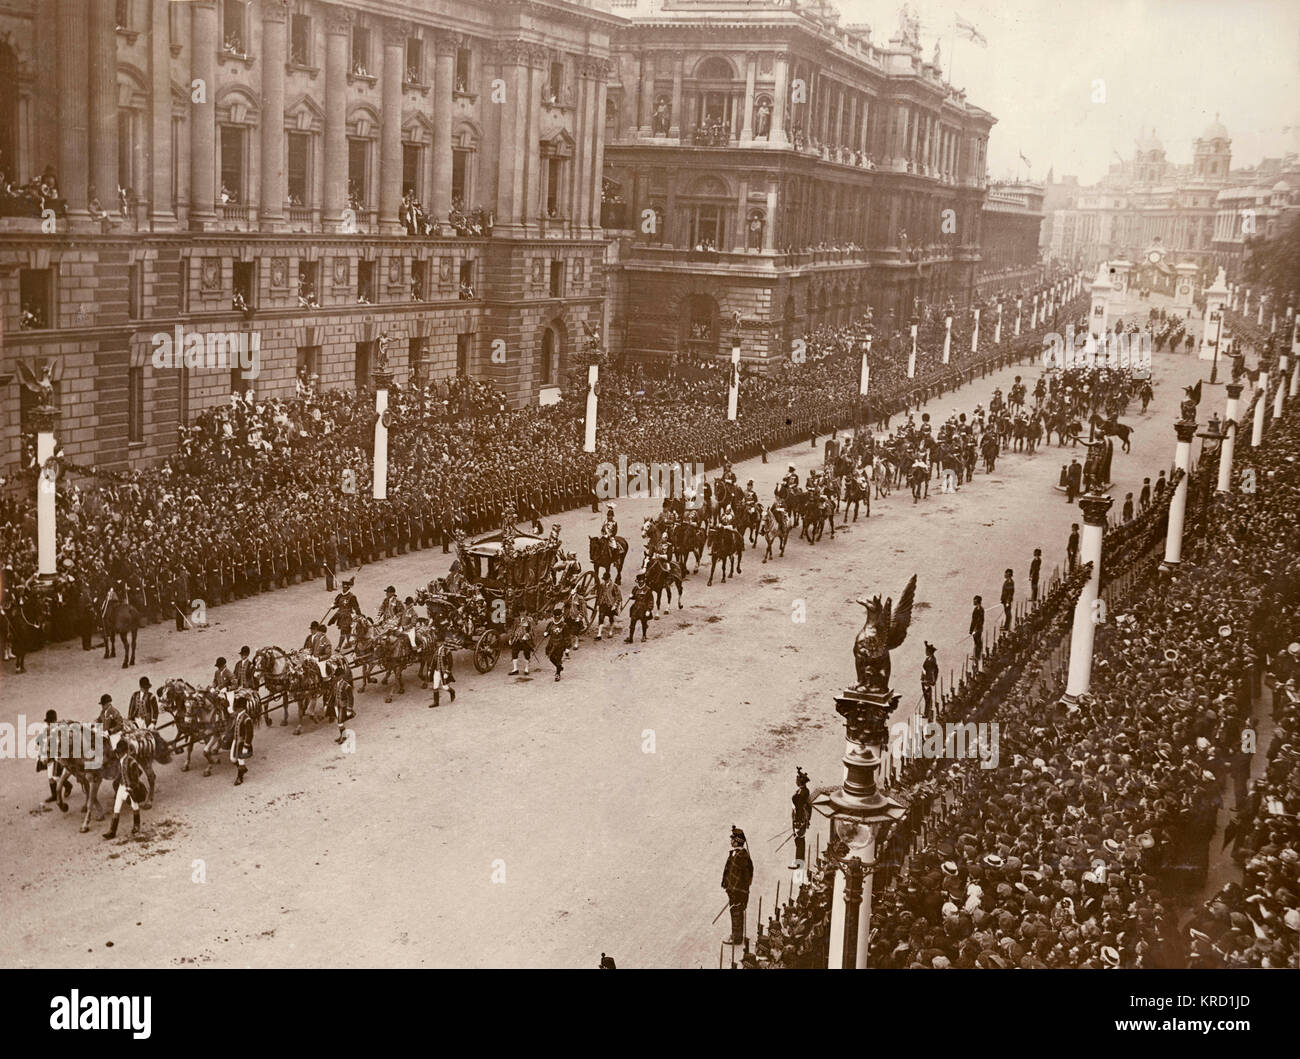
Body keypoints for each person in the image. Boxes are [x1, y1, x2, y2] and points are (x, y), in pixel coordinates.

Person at [722, 825, 754, 946]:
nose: (731, 841)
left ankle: (736, 938)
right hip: (734, 890)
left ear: (737, 842)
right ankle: (737, 935)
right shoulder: (736, 854)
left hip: (738, 892)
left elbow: (746, 877)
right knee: (735, 911)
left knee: (736, 912)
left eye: (732, 839)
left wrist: (737, 890)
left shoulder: (742, 857)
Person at [790, 769, 812, 870]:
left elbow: (800, 809)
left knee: (799, 841)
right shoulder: (803, 791)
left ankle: (799, 863)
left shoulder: (801, 794)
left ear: (800, 781)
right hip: (800, 819)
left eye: (797, 779)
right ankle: (800, 862)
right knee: (799, 841)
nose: (796, 781)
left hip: (799, 820)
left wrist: (798, 823)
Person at [543, 604, 569, 681]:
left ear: (561, 617)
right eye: (555, 617)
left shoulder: (564, 626)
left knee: (558, 658)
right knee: (551, 657)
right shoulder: (551, 624)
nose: (556, 619)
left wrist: (567, 647)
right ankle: (560, 667)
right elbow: (547, 631)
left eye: (558, 617)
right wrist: (545, 633)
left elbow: (567, 637)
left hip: (560, 645)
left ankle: (558, 673)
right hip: (551, 644)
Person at [626, 574, 654, 644]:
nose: (640, 583)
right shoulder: (635, 588)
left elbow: (651, 600)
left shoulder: (648, 589)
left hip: (643, 609)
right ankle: (630, 638)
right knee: (632, 623)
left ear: (644, 581)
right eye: (639, 581)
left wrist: (648, 610)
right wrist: (631, 596)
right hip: (635, 608)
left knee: (644, 623)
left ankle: (644, 635)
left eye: (642, 581)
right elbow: (634, 597)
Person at [595, 570, 621, 641]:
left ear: (609, 579)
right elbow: (599, 595)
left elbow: (618, 597)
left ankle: (610, 632)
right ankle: (599, 634)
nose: (605, 581)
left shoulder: (614, 586)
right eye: (604, 579)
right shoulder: (602, 585)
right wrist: (597, 604)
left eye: (606, 579)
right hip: (603, 604)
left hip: (611, 605)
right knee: (601, 617)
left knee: (611, 619)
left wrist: (615, 605)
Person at [920, 642, 939, 718]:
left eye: (926, 651)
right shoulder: (928, 658)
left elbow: (934, 672)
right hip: (924, 679)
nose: (925, 652)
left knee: (928, 698)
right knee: (926, 697)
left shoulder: (932, 660)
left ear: (929, 652)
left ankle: (927, 713)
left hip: (927, 681)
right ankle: (927, 712)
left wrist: (931, 681)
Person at [969, 595, 984, 669]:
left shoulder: (979, 609)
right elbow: (973, 621)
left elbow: (979, 621)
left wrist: (975, 630)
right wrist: (971, 630)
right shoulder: (977, 609)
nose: (973, 602)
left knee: (978, 642)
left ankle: (977, 656)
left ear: (977, 601)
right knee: (976, 642)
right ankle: (976, 655)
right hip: (976, 629)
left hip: (978, 629)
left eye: (974, 601)